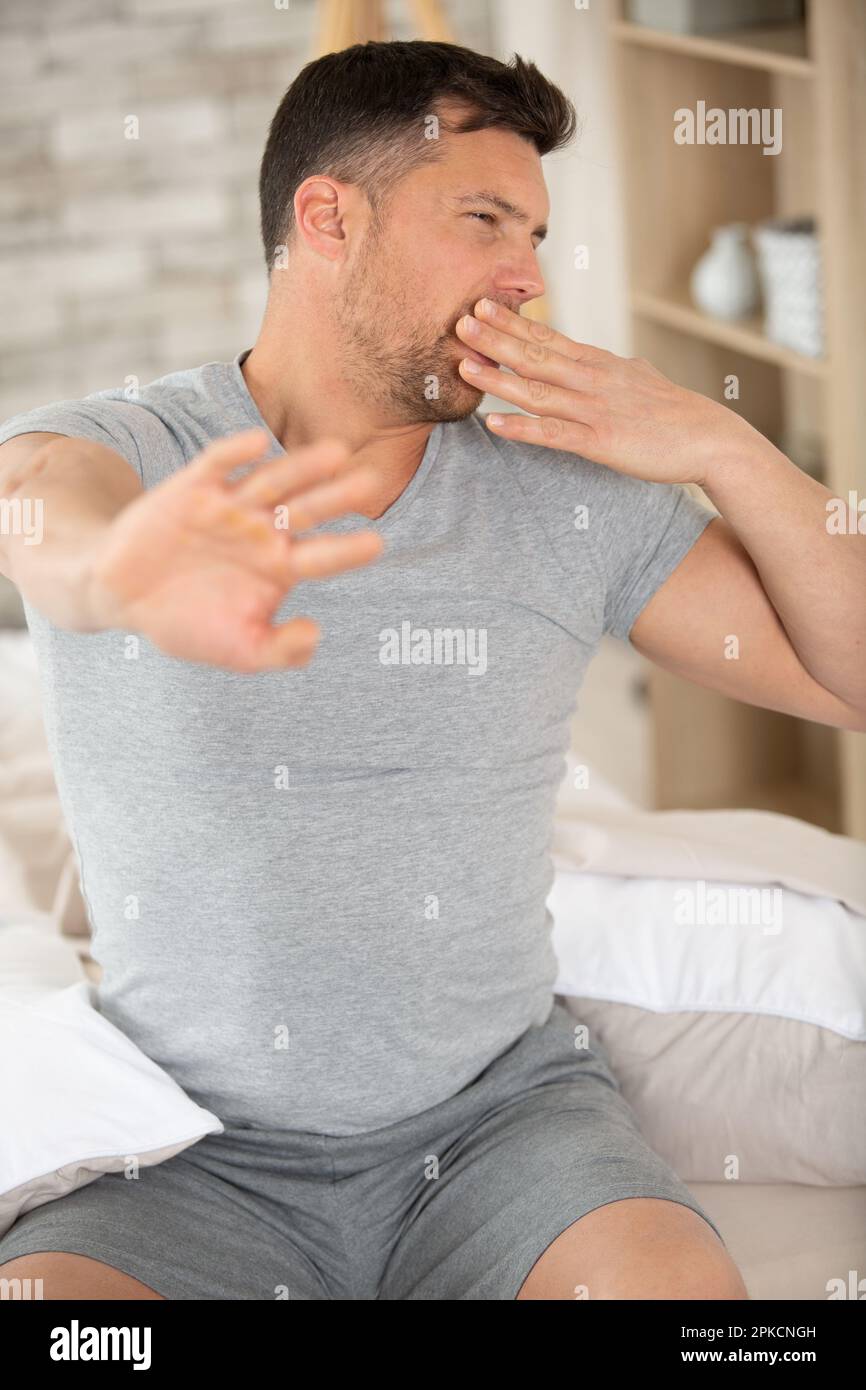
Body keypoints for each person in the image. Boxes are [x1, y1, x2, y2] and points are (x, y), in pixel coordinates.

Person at [0, 40, 861, 1302]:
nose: (524, 277)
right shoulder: (134, 446)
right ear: (327, 216)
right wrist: (117, 568)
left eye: (536, 236)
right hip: (178, 1157)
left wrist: (724, 446)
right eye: (483, 221)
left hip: (505, 1131)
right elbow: (34, 507)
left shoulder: (569, 496)